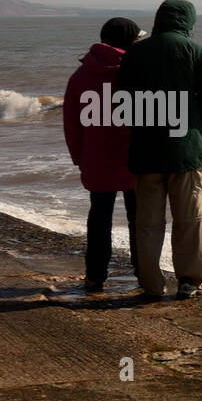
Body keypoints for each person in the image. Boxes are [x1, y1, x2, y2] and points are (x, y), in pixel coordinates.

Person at [117, 0, 202, 299]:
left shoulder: (136, 53)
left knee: (147, 224)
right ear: (188, 21)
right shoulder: (195, 51)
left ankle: (152, 284)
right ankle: (189, 281)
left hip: (146, 153)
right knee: (189, 221)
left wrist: (140, 130)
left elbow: (122, 102)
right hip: (186, 151)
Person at [62, 17, 142, 293]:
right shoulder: (137, 71)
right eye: (137, 40)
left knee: (99, 217)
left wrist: (80, 158)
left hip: (96, 159)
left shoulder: (81, 76)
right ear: (129, 42)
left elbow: (72, 124)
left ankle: (95, 276)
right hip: (136, 158)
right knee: (140, 220)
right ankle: (144, 275)